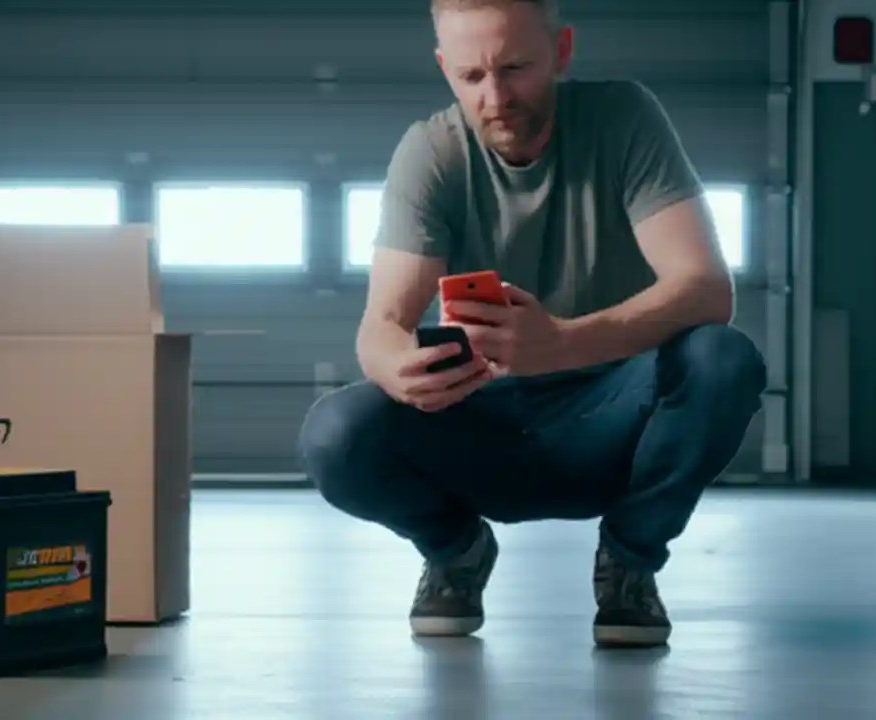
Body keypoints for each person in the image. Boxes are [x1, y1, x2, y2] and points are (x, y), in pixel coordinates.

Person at [297, 0, 767, 648]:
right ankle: (456, 551)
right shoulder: (432, 150)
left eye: (515, 68)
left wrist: (564, 344)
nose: (495, 97)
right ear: (444, 68)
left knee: (724, 360)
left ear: (562, 51)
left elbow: (707, 291)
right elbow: (381, 325)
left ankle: (629, 562)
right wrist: (397, 370)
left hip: (610, 425)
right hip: (479, 424)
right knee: (335, 435)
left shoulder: (622, 118)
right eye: (470, 76)